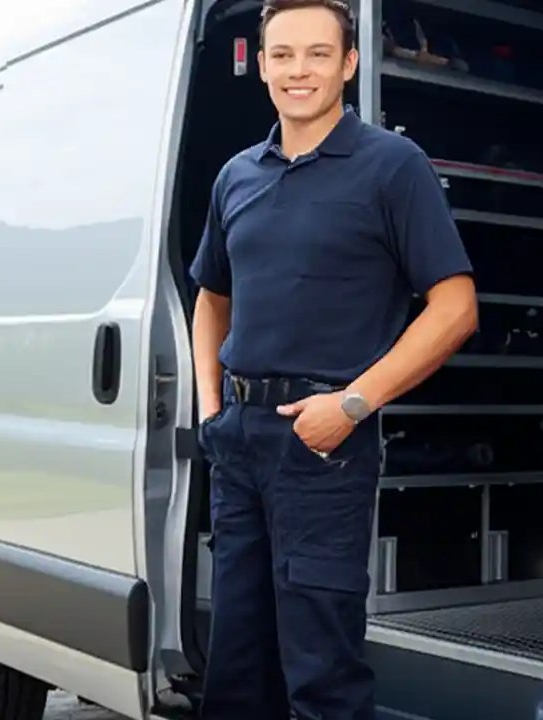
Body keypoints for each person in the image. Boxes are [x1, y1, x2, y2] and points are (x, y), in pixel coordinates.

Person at [188, 1, 478, 718]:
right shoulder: (237, 176)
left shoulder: (391, 166)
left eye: (318, 54)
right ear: (261, 66)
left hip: (326, 447)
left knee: (321, 672)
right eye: (282, 55)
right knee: (235, 666)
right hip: (239, 444)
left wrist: (352, 405)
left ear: (349, 64)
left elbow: (455, 308)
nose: (298, 70)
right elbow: (209, 300)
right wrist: (212, 411)